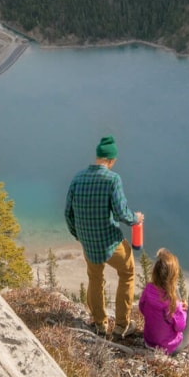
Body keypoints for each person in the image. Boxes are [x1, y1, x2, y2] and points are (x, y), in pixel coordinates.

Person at [64, 134, 144, 339]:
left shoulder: (77, 178)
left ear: (97, 156)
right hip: (110, 243)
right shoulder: (112, 179)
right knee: (127, 273)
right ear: (112, 160)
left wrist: (79, 236)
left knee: (95, 278)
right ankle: (121, 326)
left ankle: (100, 324)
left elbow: (68, 214)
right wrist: (136, 219)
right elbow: (120, 213)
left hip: (89, 244)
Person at [139, 248, 189, 355]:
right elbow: (180, 327)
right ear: (173, 276)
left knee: (174, 290)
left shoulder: (148, 290)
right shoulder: (173, 304)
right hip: (170, 347)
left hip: (149, 342)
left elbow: (142, 308)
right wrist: (182, 310)